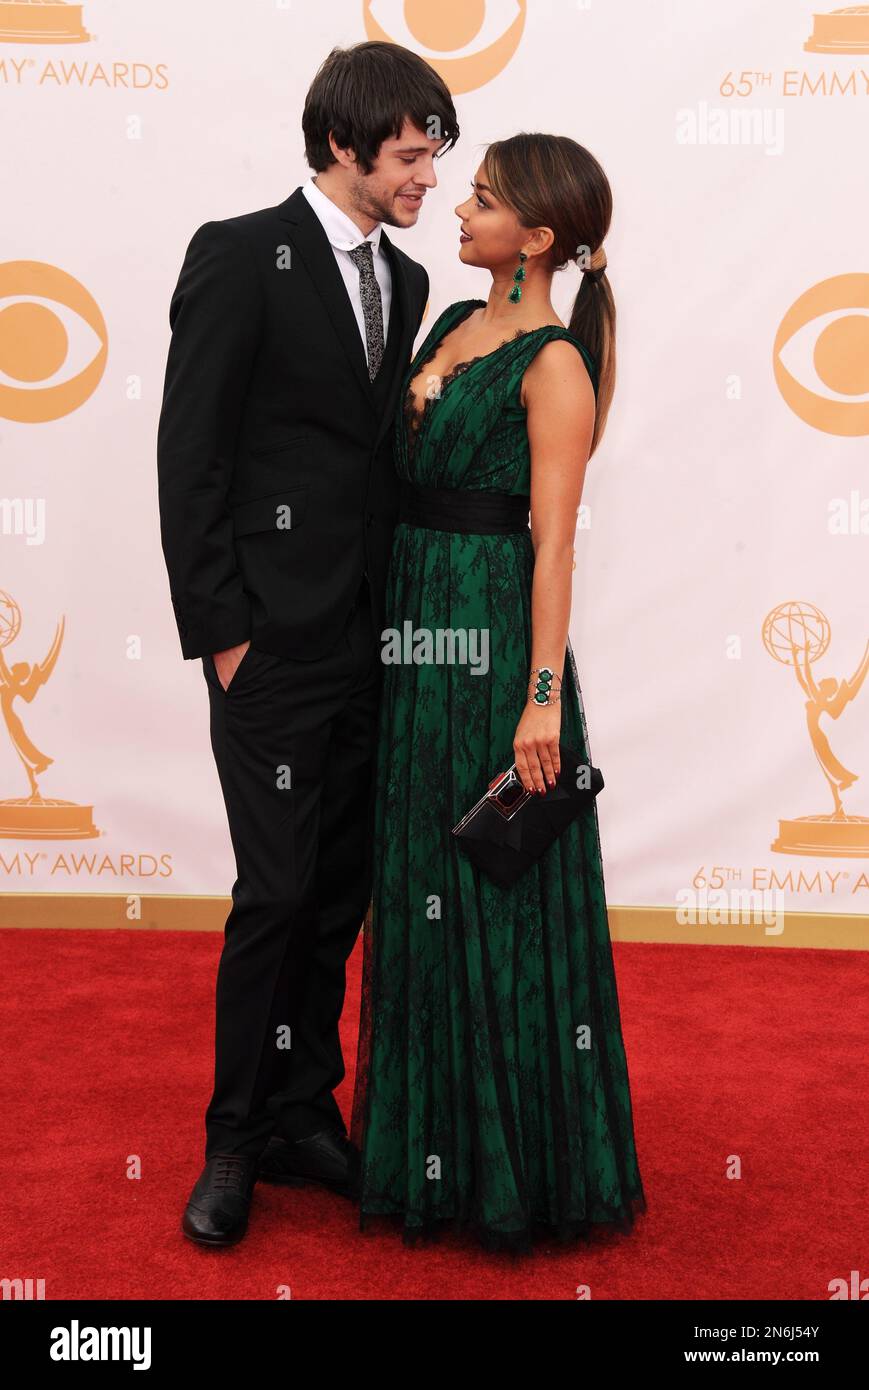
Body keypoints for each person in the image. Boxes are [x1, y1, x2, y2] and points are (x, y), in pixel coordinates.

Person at [156, 41, 458, 1246]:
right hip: (271, 649)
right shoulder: (239, 254)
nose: (428, 176)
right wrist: (223, 636)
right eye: (408, 153)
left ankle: (299, 1108)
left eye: (435, 154)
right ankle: (231, 1138)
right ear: (344, 144)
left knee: (335, 893)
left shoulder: (417, 283)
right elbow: (193, 459)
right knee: (274, 895)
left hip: (372, 644)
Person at [350, 133, 647, 1253]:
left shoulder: (554, 362)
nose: (455, 207)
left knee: (490, 892)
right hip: (415, 633)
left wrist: (537, 702)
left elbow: (554, 546)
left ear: (534, 239)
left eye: (478, 199)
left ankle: (514, 1170)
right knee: (420, 877)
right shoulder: (445, 322)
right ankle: (427, 1151)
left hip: (492, 653)